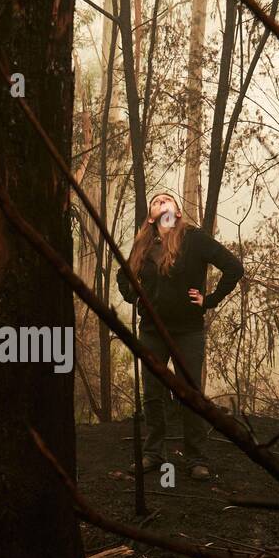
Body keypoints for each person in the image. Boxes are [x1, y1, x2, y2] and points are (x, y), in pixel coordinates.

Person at [116, 192, 244, 481]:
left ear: (177, 210)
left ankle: (196, 458)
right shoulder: (143, 244)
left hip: (188, 331)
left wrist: (209, 300)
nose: (163, 202)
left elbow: (234, 267)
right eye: (157, 200)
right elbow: (123, 277)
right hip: (152, 330)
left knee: (190, 392)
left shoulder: (194, 240)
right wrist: (135, 299)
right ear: (151, 216)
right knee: (152, 393)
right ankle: (153, 453)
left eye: (168, 199)